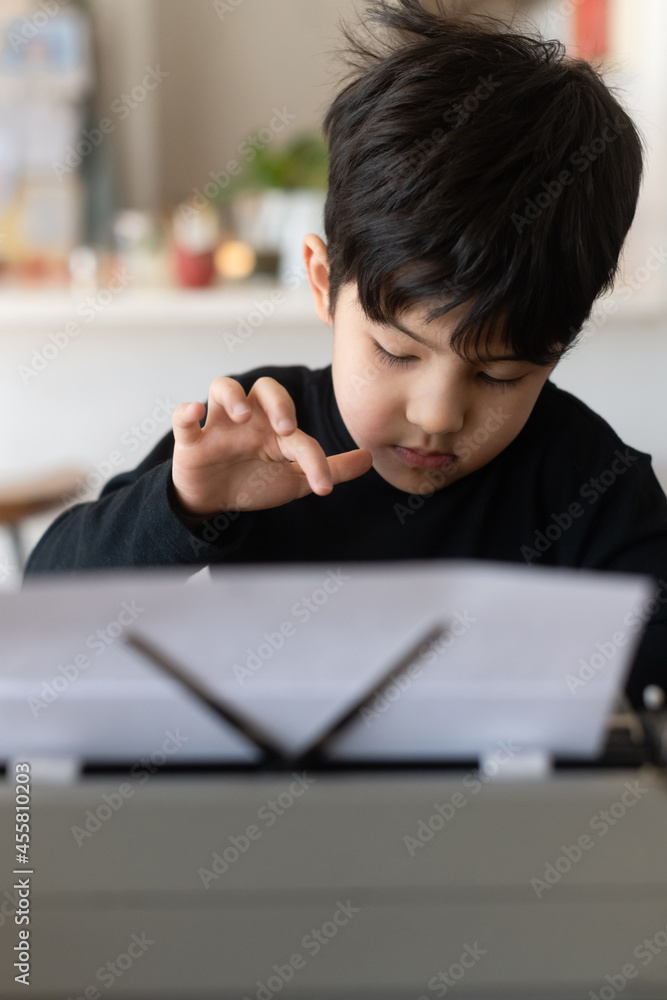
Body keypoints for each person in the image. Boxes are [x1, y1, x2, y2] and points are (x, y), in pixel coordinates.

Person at [24, 0, 667, 710]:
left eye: (498, 375)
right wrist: (185, 506)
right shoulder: (255, 435)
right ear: (324, 282)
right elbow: (48, 605)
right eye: (396, 352)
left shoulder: (593, 487)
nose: (439, 415)